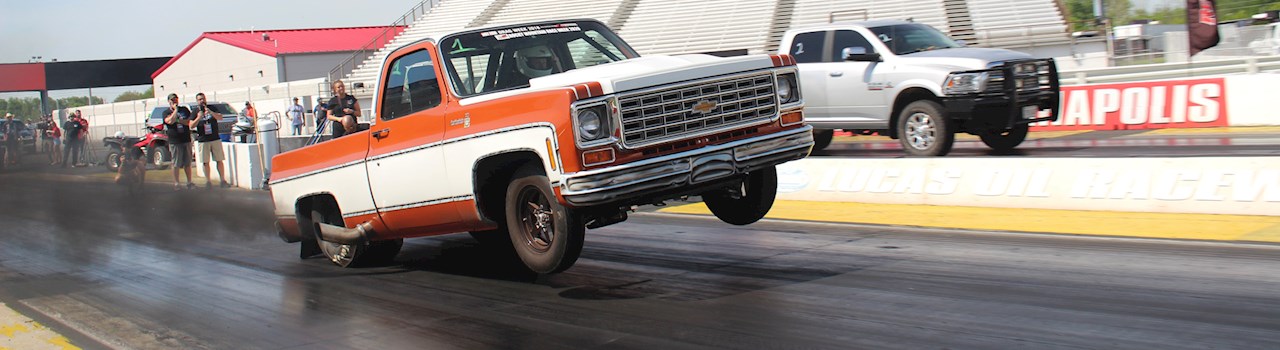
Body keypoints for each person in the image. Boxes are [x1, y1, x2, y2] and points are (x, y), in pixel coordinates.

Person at [191, 92, 231, 188]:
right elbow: (191, 125)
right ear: (197, 101)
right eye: (200, 99)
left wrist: (211, 112)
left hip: (214, 138)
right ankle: (208, 181)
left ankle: (222, 180)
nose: (202, 101)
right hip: (203, 139)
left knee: (219, 160)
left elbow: (220, 117)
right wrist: (199, 117)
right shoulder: (195, 111)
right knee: (205, 162)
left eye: (203, 98)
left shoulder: (211, 108)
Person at [163, 93, 196, 190]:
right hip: (175, 141)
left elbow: (188, 122)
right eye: (172, 100)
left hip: (186, 139)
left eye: (176, 99)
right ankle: (176, 183)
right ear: (169, 101)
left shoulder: (184, 110)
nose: (174, 101)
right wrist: (175, 111)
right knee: (176, 163)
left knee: (187, 163)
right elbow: (169, 121)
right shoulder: (166, 112)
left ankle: (189, 182)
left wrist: (178, 119)